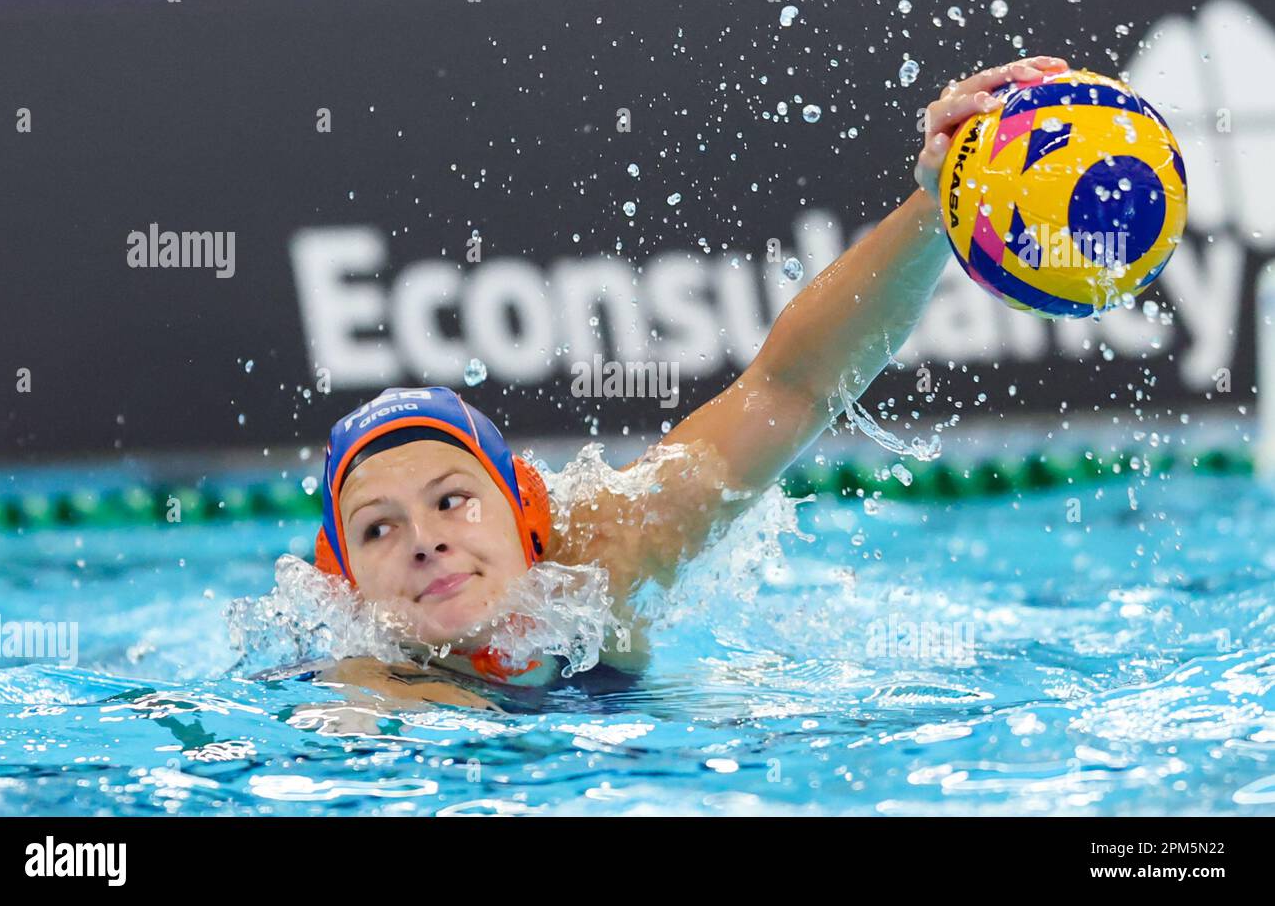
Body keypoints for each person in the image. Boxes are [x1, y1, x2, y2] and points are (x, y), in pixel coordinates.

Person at [306, 55, 1070, 699]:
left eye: (452, 500)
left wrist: (939, 203)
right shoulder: (362, 697)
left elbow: (791, 387)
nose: (425, 542)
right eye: (377, 528)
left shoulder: (607, 555)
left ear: (525, 514)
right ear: (345, 587)